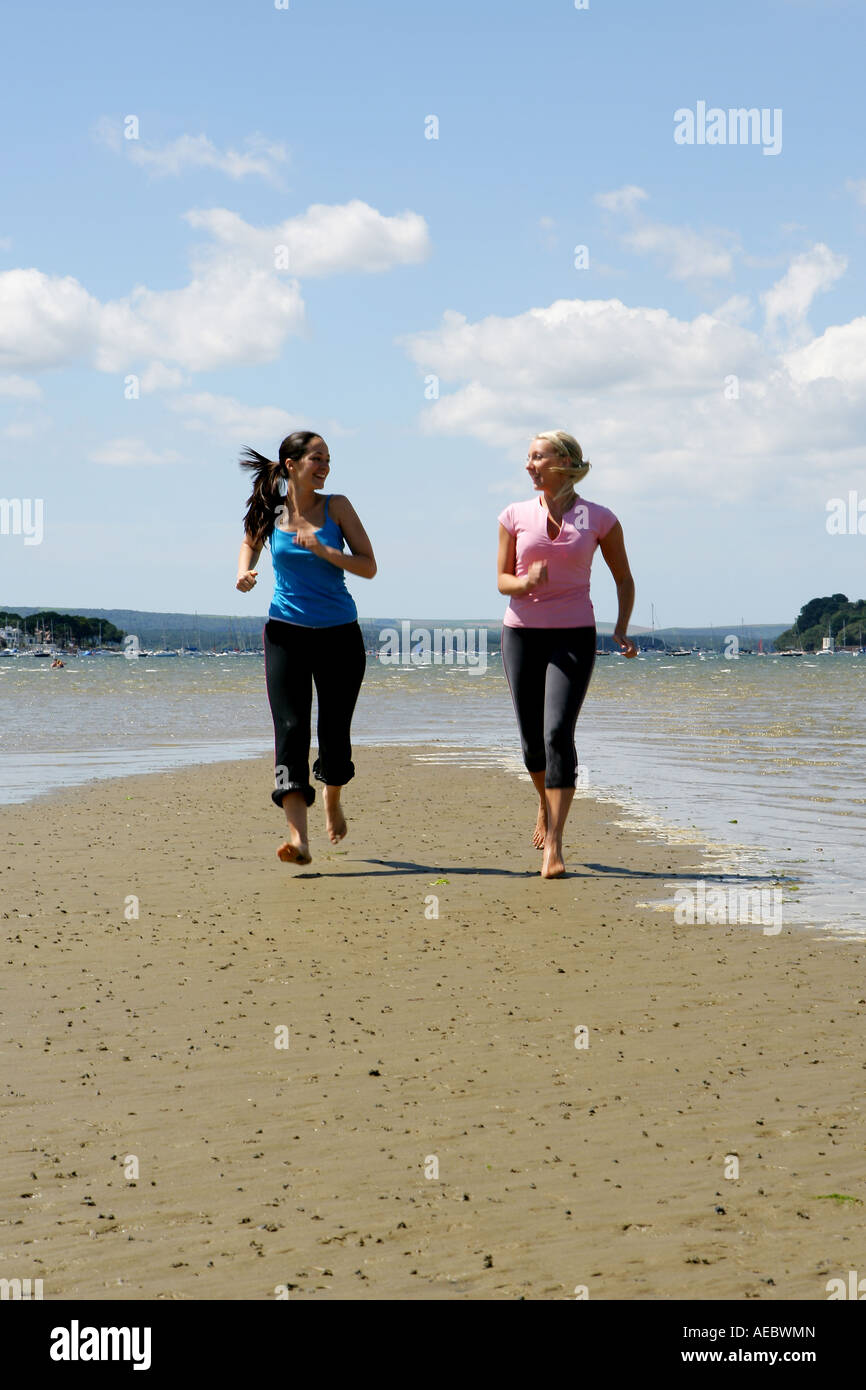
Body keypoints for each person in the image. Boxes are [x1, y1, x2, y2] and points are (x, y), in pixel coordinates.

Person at [497, 431, 636, 879]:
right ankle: (544, 802)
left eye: (537, 456)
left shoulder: (599, 518)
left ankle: (554, 844)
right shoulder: (514, 515)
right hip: (520, 634)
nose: (528, 465)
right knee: (531, 743)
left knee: (558, 732)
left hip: (574, 634)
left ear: (564, 461)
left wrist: (620, 627)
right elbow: (502, 579)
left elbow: (624, 579)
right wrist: (525, 583)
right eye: (528, 457)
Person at [236, 432, 376, 866]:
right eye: (317, 458)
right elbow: (249, 543)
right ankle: (298, 837)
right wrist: (244, 572)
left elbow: (369, 566)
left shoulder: (338, 506)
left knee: (334, 731)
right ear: (290, 463)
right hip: (286, 634)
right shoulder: (272, 509)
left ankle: (333, 797)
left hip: (339, 635)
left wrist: (325, 549)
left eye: (328, 459)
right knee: (291, 729)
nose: (325, 466)